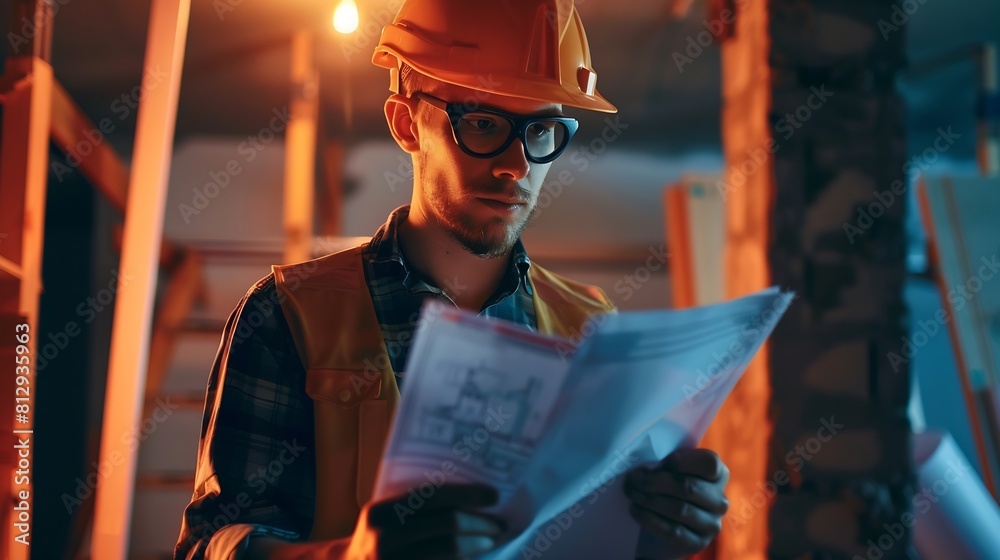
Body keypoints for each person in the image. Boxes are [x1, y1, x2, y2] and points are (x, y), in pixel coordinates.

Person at [173, 1, 730, 558]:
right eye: (484, 123)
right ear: (405, 123)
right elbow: (208, 548)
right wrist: (350, 556)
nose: (517, 164)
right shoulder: (287, 315)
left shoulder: (590, 330)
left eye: (542, 129)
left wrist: (660, 532)